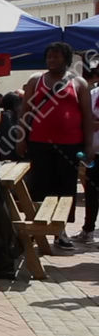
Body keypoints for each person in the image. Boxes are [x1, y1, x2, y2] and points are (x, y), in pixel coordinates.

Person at [18, 42, 94, 250]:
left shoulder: (79, 83)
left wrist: (88, 145)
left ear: (66, 59)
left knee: (66, 188)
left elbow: (87, 116)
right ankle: (38, 229)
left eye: (56, 57)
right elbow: (25, 111)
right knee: (40, 186)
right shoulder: (36, 80)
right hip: (40, 143)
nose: (52, 60)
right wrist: (21, 138)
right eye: (49, 57)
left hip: (70, 145)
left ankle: (61, 231)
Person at [74, 59, 99, 244]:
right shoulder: (92, 94)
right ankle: (88, 229)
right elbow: (84, 119)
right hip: (94, 152)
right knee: (90, 192)